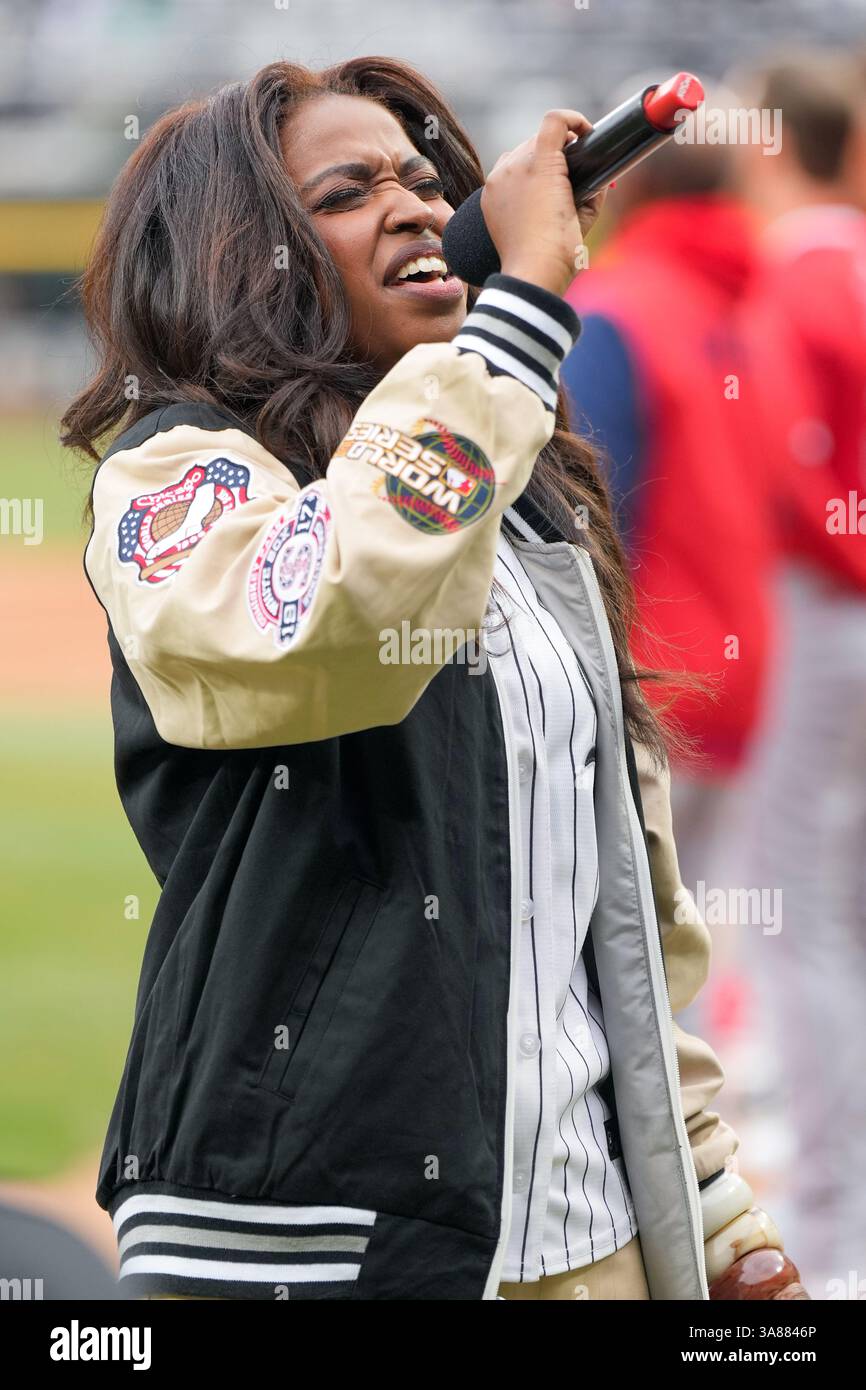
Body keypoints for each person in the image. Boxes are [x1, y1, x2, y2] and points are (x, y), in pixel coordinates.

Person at [61, 56, 801, 1301]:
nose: (412, 206)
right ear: (244, 254)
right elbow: (330, 615)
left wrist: (704, 1194)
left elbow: (607, 905)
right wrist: (513, 322)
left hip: (588, 1237)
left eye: (421, 178)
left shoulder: (529, 508)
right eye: (349, 191)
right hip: (315, 1243)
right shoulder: (180, 473)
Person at [730, 51, 866, 1293]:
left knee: (797, 922)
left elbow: (788, 475)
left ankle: (830, 1238)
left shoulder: (795, 272)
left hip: (823, 615)